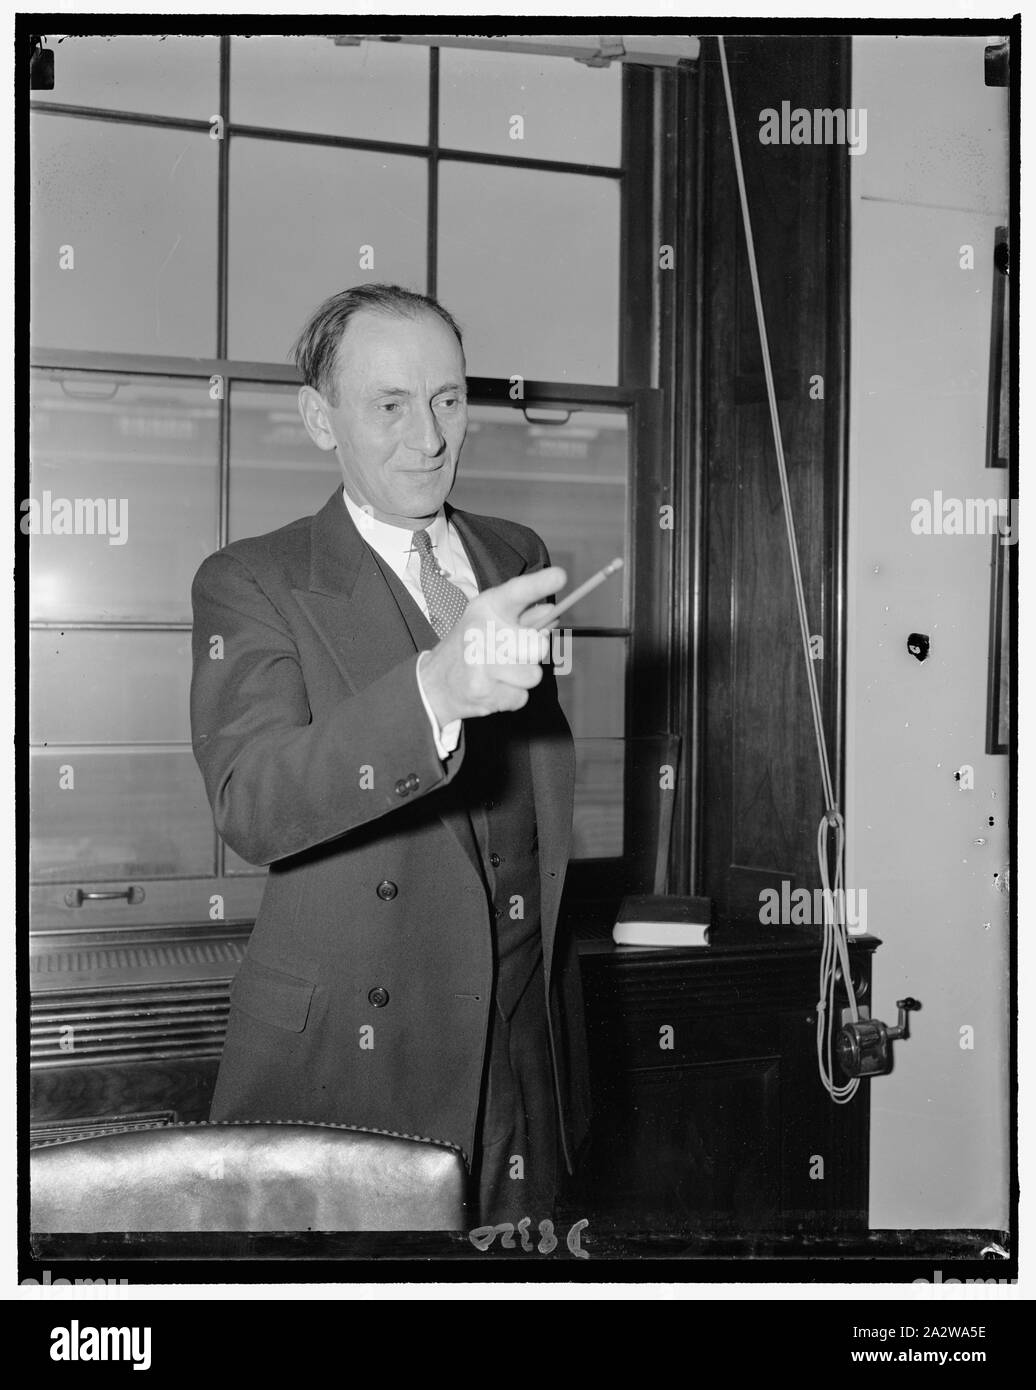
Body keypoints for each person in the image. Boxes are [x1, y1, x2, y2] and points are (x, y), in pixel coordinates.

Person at [190, 283, 590, 1226]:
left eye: (449, 399)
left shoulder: (513, 550)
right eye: (389, 405)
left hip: (519, 1043)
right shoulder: (252, 580)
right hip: (359, 1054)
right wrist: (432, 695)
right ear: (319, 421)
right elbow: (251, 801)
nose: (430, 437)